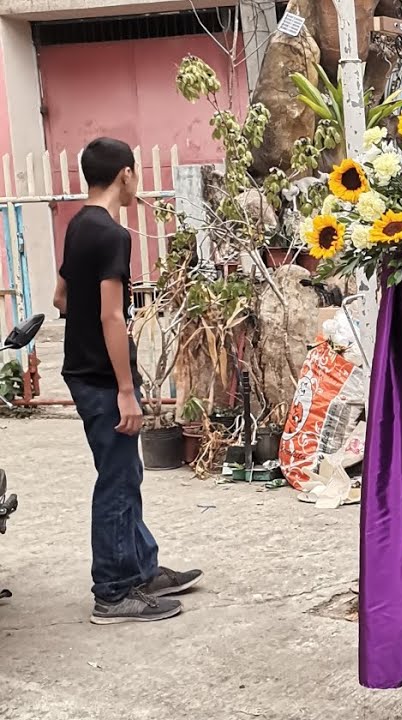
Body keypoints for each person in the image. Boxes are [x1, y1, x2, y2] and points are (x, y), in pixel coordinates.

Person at [53, 137, 202, 624]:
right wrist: (124, 389)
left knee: (125, 473)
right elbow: (112, 316)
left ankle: (141, 569)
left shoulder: (78, 225)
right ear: (125, 174)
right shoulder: (112, 235)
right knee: (117, 482)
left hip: (82, 369)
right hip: (103, 379)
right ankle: (114, 593)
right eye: (136, 173)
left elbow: (60, 298)